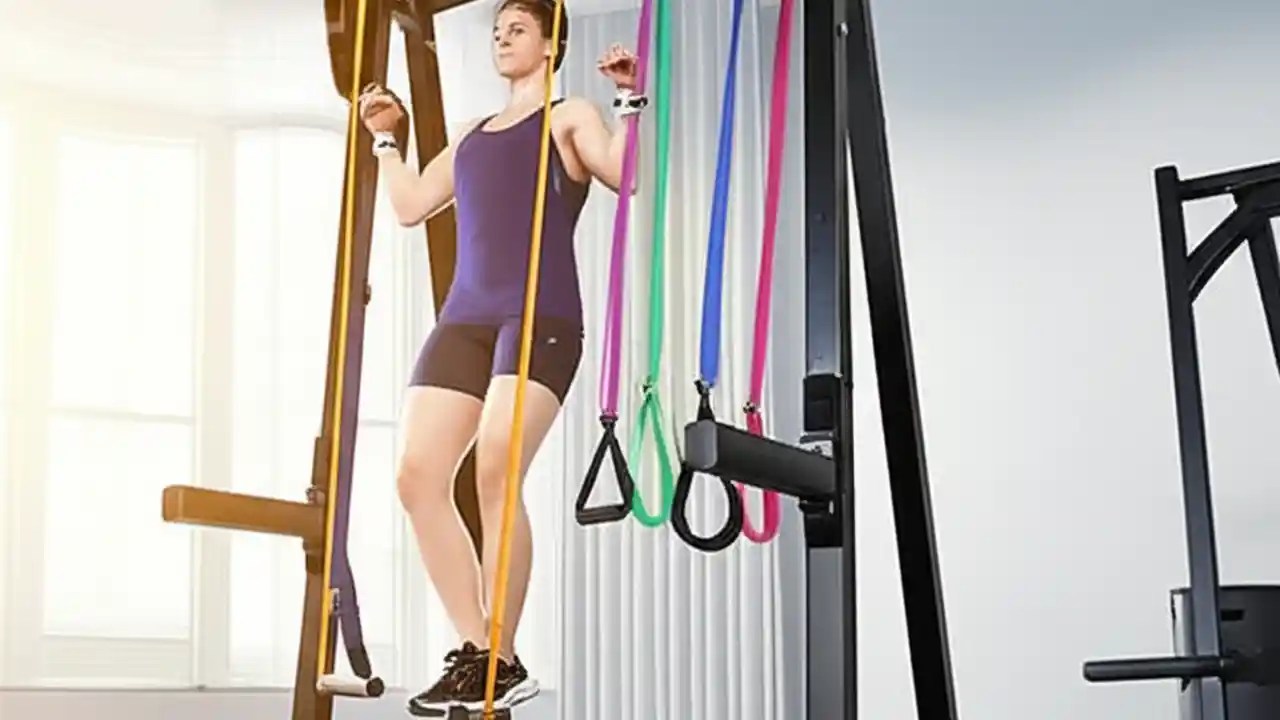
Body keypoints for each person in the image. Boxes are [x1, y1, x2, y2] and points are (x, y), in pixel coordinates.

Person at [356, 0, 642, 713]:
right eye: (497, 31)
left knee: (494, 469)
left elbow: (626, 175)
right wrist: (387, 140)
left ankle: (502, 654)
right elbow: (412, 205)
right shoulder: (473, 136)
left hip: (540, 317)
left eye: (518, 31)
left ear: (551, 46)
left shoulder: (569, 115)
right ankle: (480, 650)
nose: (502, 40)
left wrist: (630, 101)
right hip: (467, 318)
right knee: (418, 476)